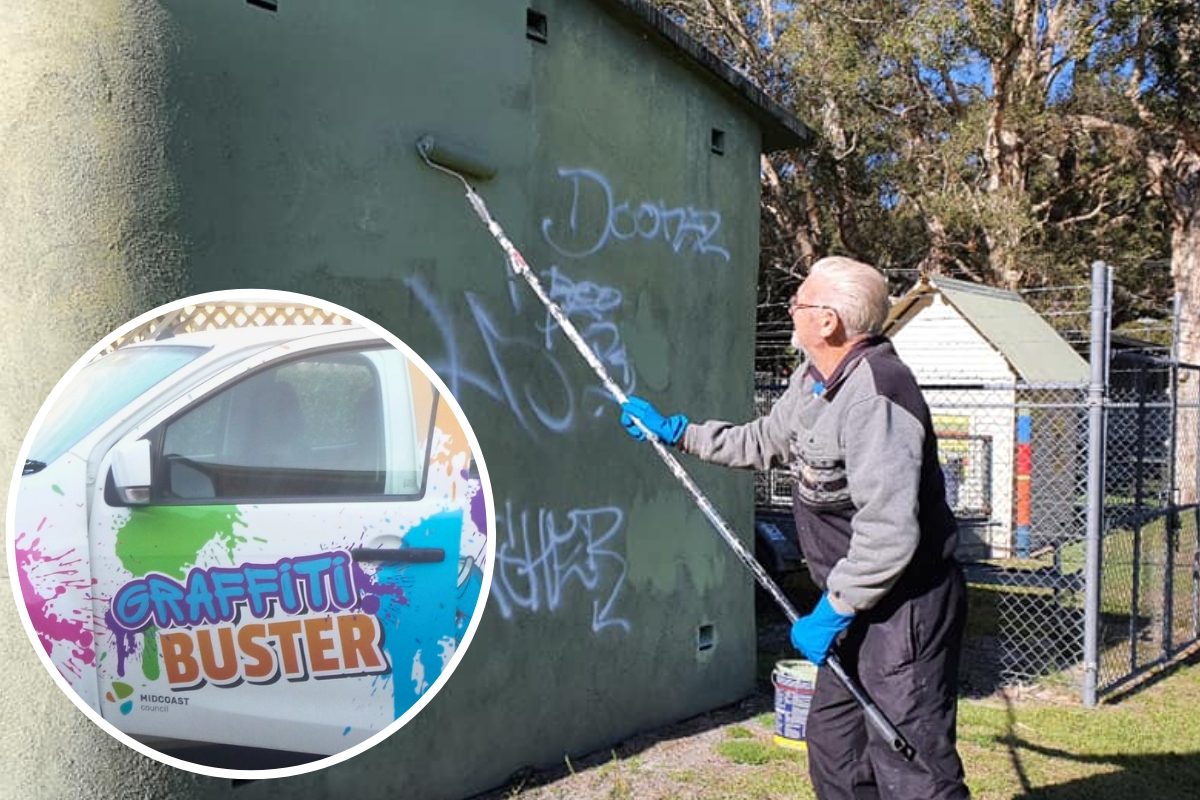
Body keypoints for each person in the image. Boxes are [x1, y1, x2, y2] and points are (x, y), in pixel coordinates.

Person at [619, 256, 970, 800]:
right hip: (853, 605)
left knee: (910, 762)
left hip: (903, 609)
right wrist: (678, 432)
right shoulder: (813, 380)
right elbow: (763, 440)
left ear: (828, 321)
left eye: (799, 302)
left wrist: (834, 609)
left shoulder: (877, 394)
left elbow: (889, 532)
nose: (791, 310)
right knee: (836, 752)